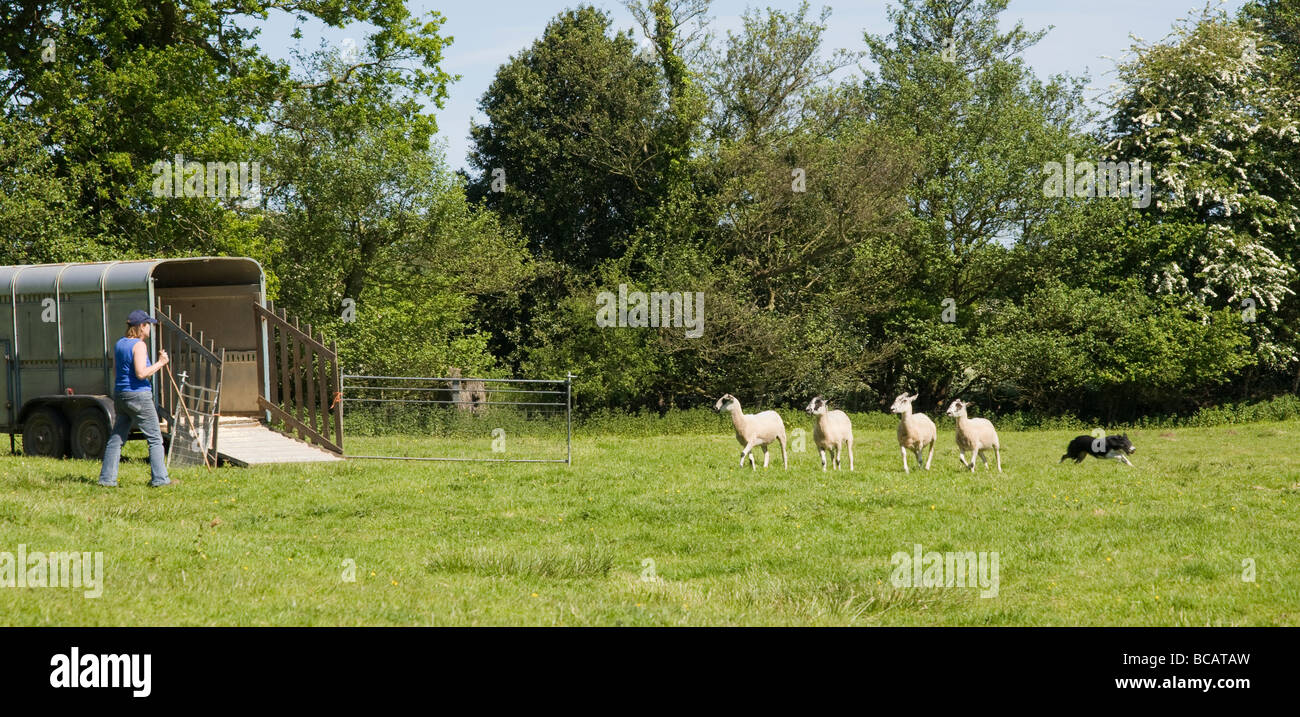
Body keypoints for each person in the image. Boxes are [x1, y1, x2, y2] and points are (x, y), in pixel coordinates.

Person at [99, 310, 173, 487]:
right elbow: (141, 374)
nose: (150, 328)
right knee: (155, 438)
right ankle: (160, 480)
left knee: (116, 438)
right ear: (141, 326)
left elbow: (116, 372)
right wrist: (161, 363)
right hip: (138, 395)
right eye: (149, 325)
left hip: (121, 395)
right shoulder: (139, 346)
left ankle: (107, 479)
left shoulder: (119, 344)